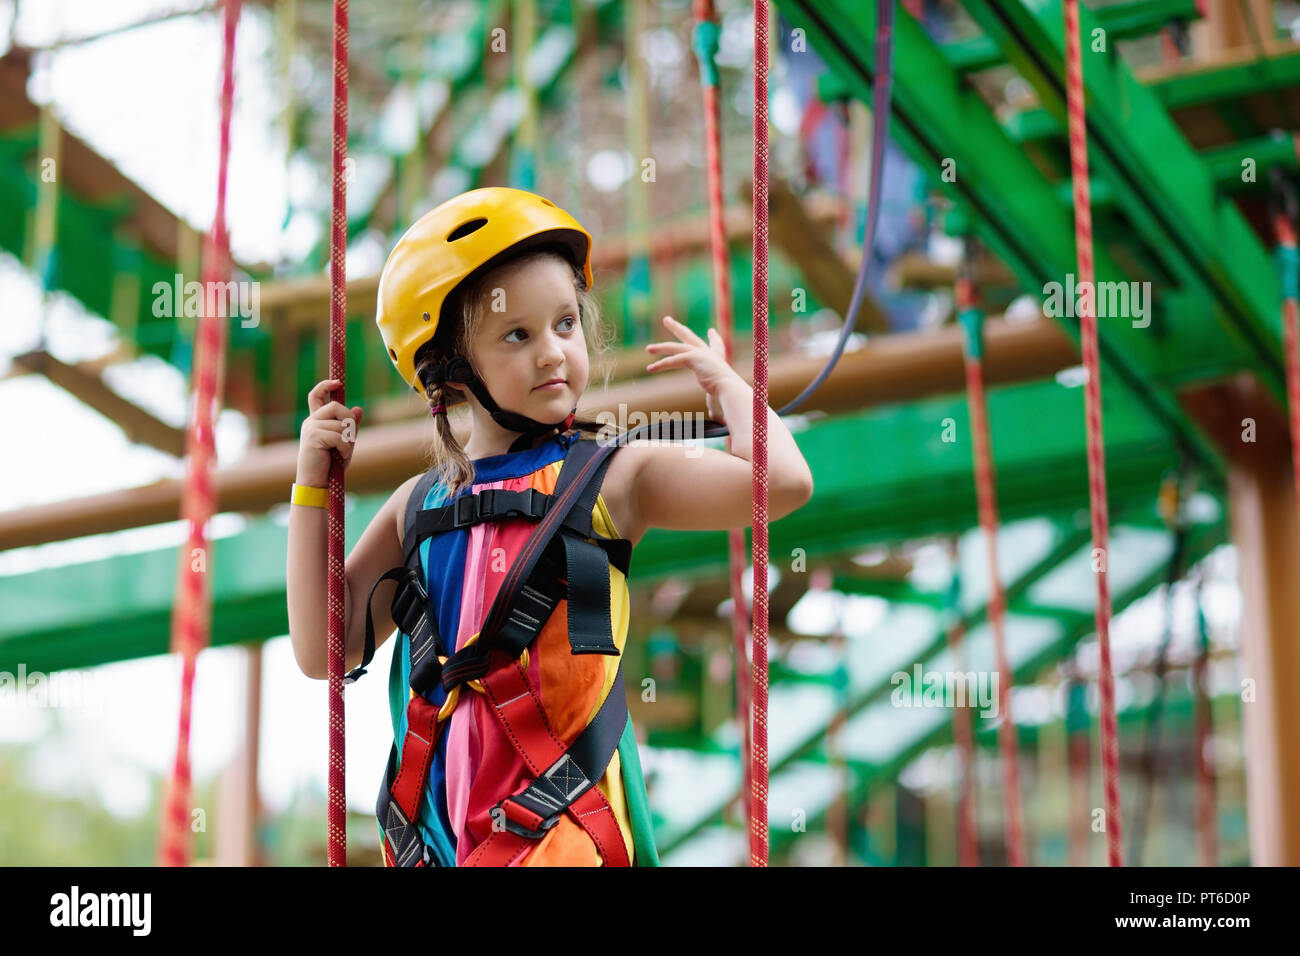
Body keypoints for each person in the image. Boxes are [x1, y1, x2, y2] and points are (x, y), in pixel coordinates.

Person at [286, 186, 814, 866]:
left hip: (563, 842)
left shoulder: (616, 477)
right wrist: (311, 487)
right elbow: (321, 648)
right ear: (447, 368)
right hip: (438, 846)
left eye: (565, 325)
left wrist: (730, 389)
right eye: (517, 334)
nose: (551, 353)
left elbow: (783, 484)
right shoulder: (416, 508)